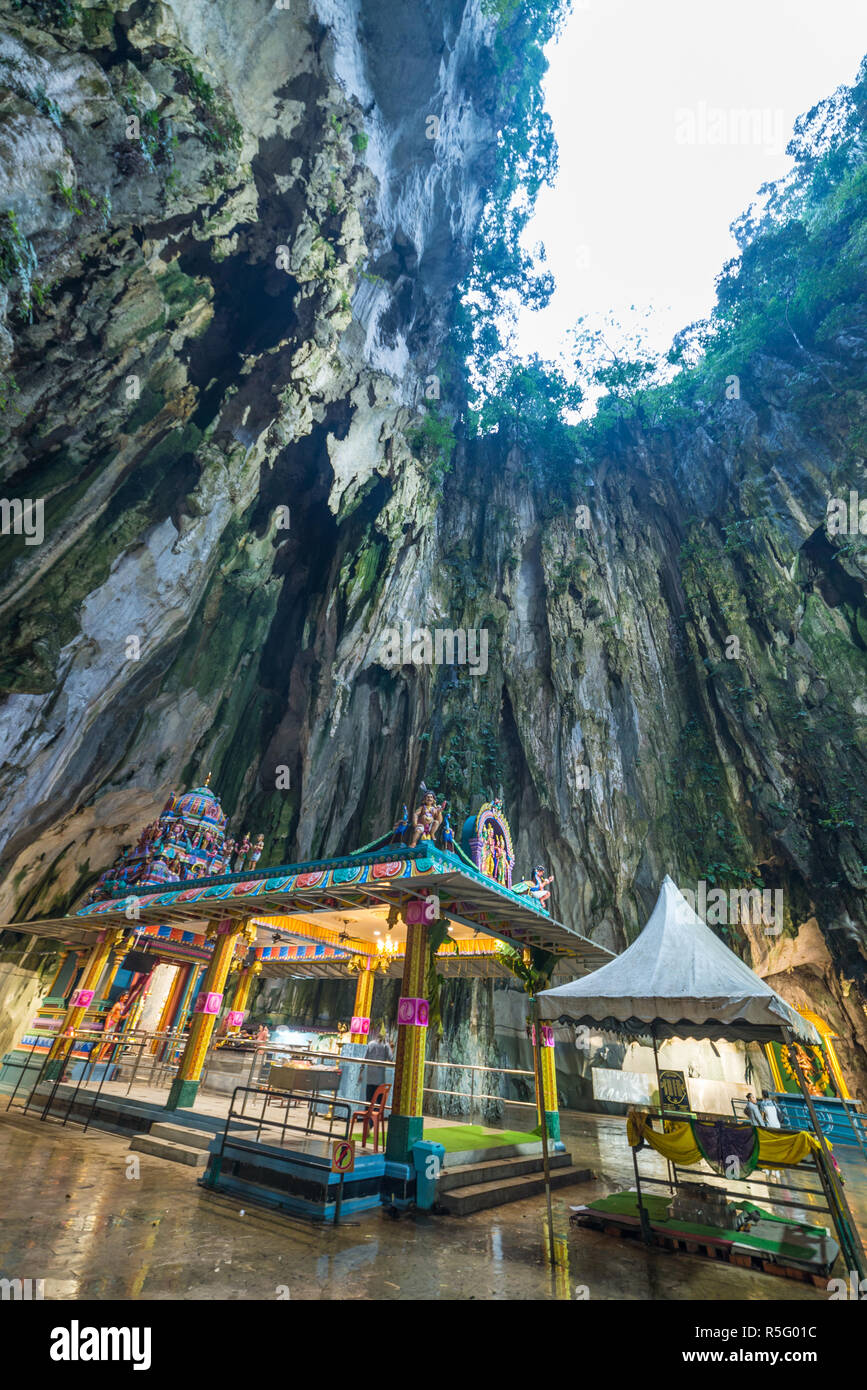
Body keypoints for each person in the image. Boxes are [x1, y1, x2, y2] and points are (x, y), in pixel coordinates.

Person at [364, 1030, 393, 1103]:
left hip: (370, 1077)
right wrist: (390, 1047)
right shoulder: (385, 1045)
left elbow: (364, 1058)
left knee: (369, 1100)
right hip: (380, 1079)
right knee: (379, 1102)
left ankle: (368, 1113)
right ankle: (377, 1114)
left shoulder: (370, 1044)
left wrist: (361, 1071)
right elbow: (391, 1058)